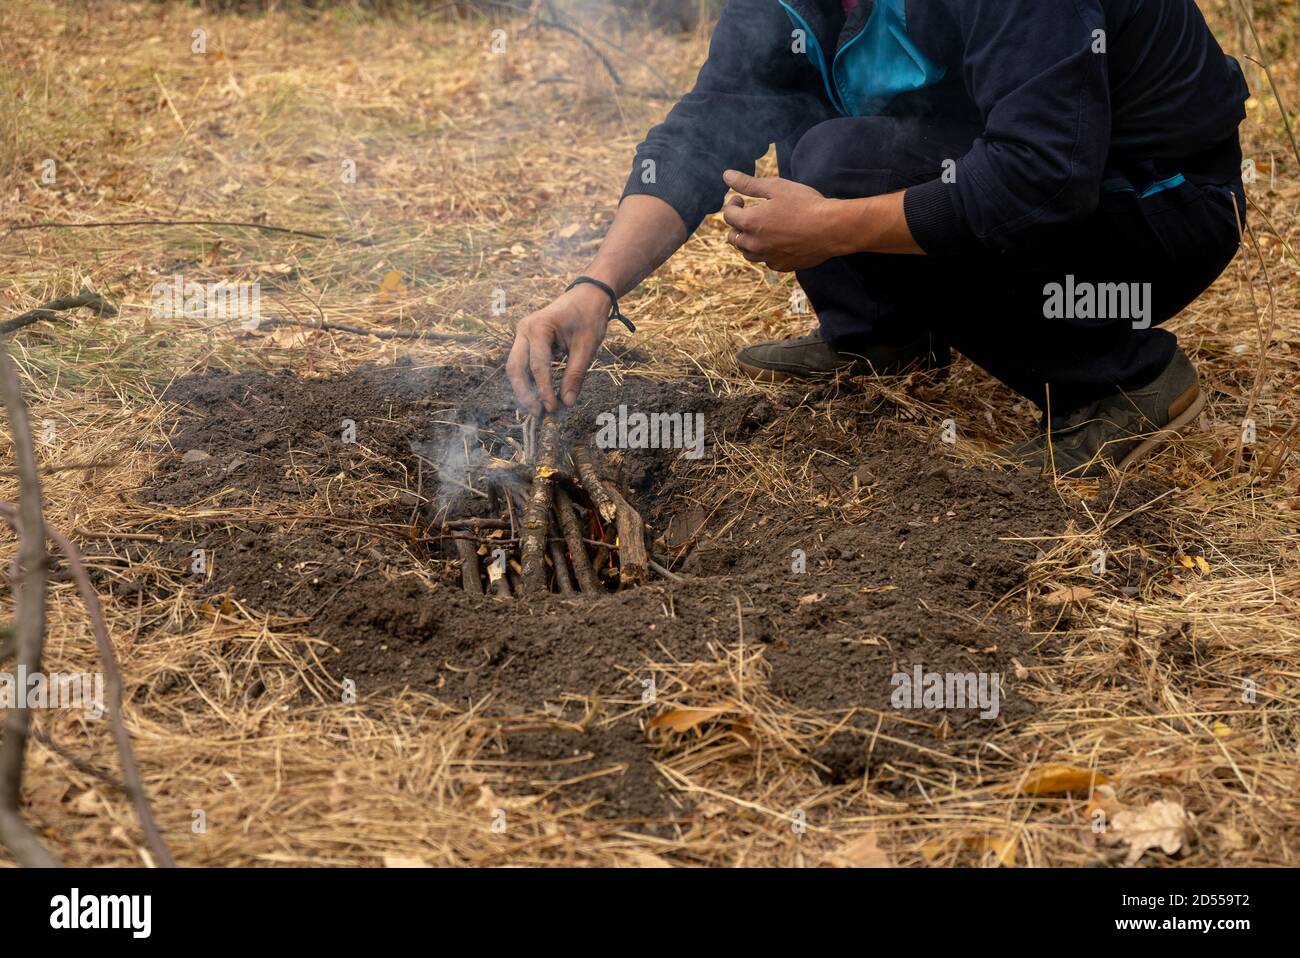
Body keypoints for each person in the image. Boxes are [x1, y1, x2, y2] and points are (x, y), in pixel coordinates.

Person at [506, 0, 1248, 477]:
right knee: (817, 134)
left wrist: (827, 227)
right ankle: (886, 335)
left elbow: (1045, 177)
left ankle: (1123, 380)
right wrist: (595, 288)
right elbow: (707, 123)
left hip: (1156, 203)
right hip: (1028, 170)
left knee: (836, 167)